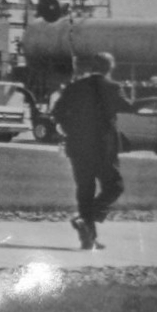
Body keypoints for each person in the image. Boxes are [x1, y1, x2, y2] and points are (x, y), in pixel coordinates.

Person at [52, 51, 131, 250]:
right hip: (103, 147)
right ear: (109, 68)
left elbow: (57, 112)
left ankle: (88, 237)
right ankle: (86, 220)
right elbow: (128, 107)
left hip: (78, 146)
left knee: (85, 190)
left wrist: (71, 130)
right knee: (114, 186)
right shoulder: (113, 87)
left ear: (92, 67)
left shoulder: (74, 86)